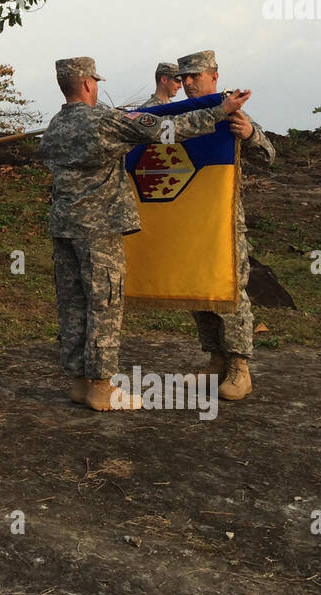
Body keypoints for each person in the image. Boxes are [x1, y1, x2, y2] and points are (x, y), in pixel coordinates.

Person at [41, 56, 249, 410]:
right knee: (103, 305)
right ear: (89, 84)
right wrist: (220, 110)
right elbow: (166, 132)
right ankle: (103, 388)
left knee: (73, 306)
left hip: (64, 228)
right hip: (99, 230)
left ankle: (78, 383)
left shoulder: (54, 126)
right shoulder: (105, 122)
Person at [177, 49, 275, 400]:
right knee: (198, 288)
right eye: (183, 77)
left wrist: (250, 134)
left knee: (229, 287)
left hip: (224, 222)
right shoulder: (177, 117)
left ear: (214, 76)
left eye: (195, 76)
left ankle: (238, 366)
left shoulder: (232, 112)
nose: (188, 83)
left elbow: (268, 157)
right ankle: (215, 358)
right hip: (187, 219)